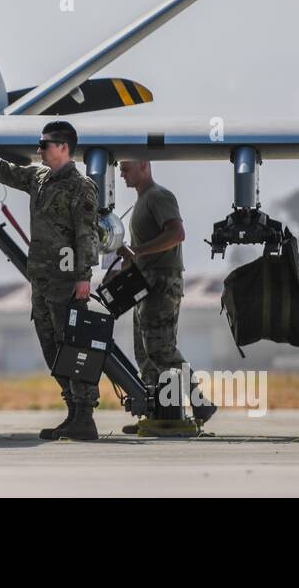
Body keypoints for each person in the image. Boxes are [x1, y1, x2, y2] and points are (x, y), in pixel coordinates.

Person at [0, 121, 102, 440]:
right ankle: (73, 410)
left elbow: (87, 234)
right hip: (42, 282)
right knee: (52, 348)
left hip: (67, 283)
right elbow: (3, 171)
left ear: (64, 147)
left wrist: (84, 277)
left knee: (73, 347)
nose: (39, 150)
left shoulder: (81, 186)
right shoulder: (38, 177)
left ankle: (85, 417)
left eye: (45, 144)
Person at [113, 159, 214, 425]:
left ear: (144, 166)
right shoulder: (142, 201)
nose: (121, 174)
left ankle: (199, 403)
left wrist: (139, 251)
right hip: (145, 283)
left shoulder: (159, 196)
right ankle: (159, 414)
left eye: (126, 168)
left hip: (161, 282)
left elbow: (177, 233)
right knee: (145, 354)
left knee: (160, 350)